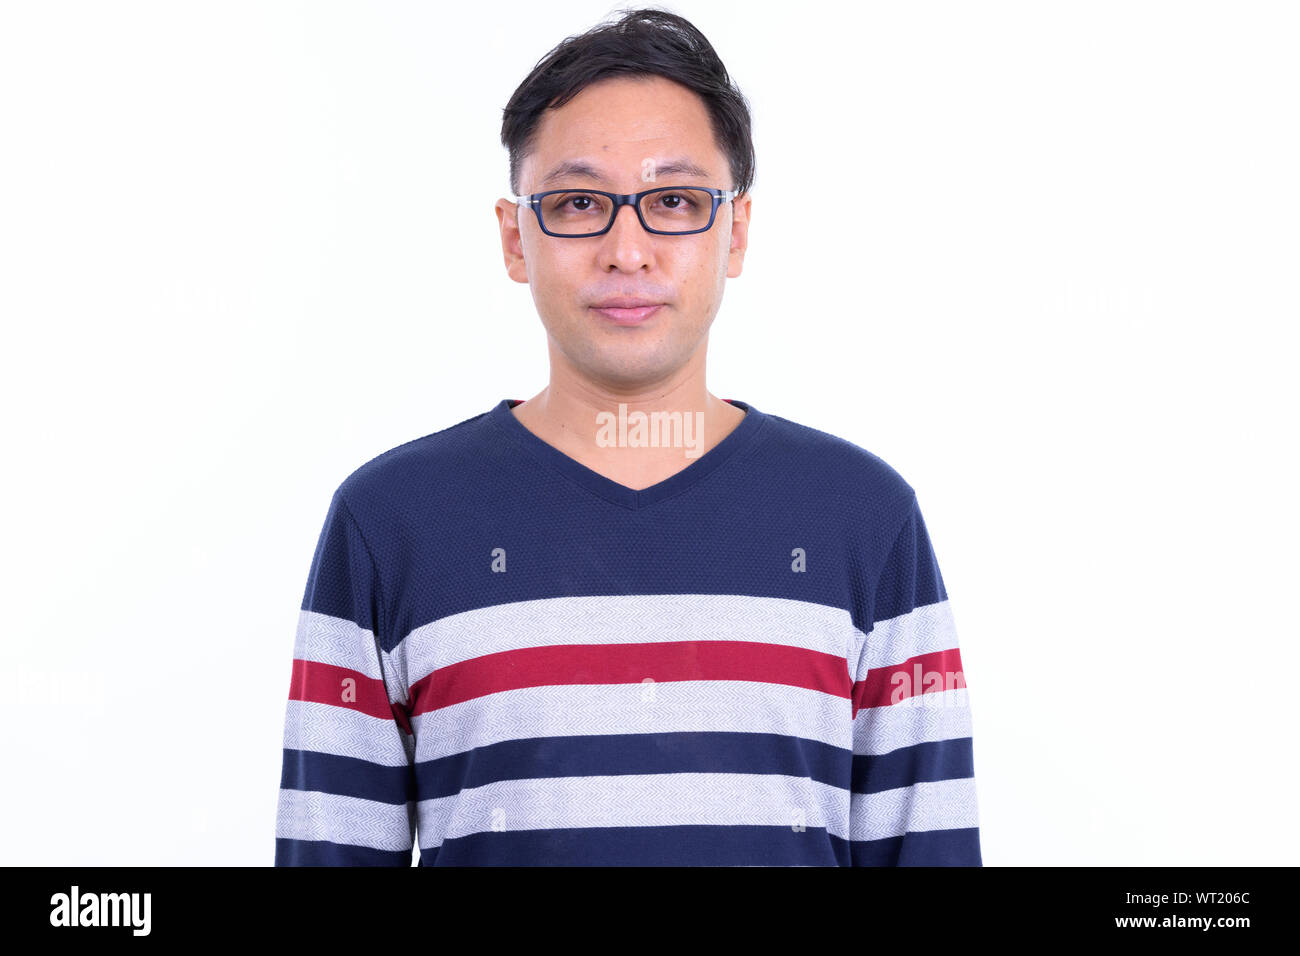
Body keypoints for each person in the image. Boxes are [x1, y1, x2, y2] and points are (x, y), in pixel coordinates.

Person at [274, 7, 982, 866]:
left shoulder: (866, 521)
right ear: (515, 238)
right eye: (578, 203)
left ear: (736, 232)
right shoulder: (390, 525)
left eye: (675, 200)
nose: (627, 248)